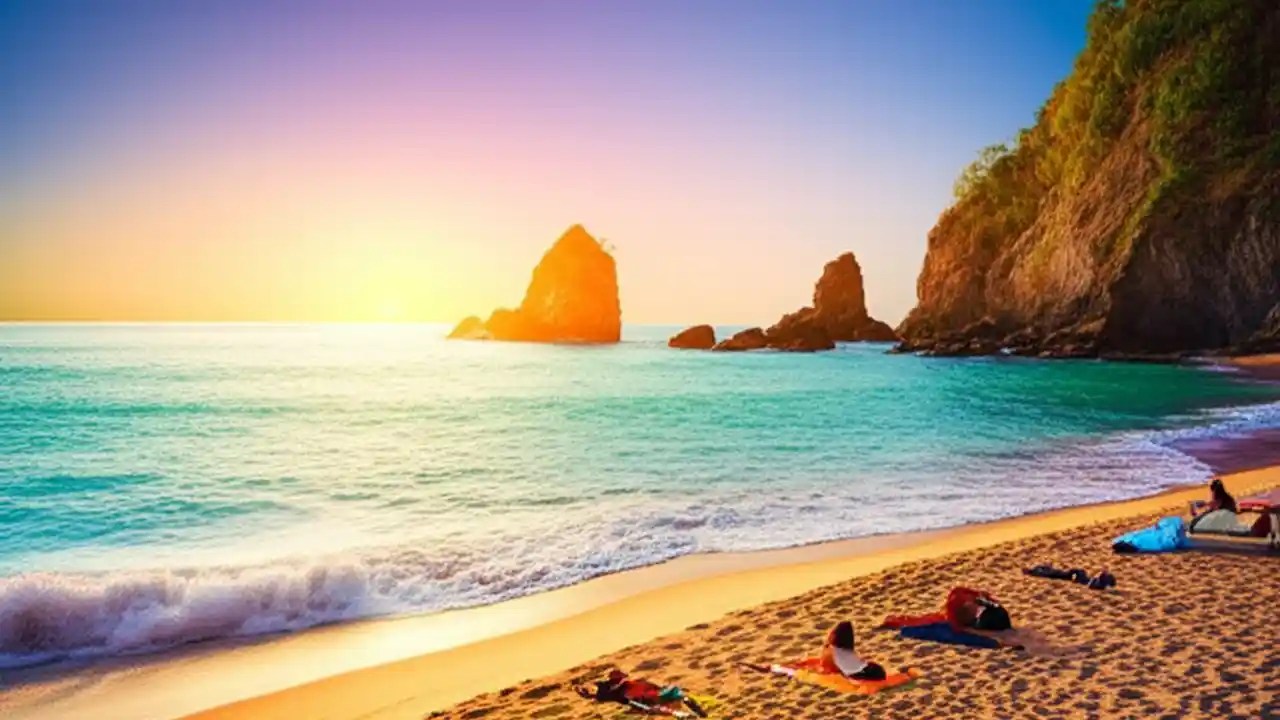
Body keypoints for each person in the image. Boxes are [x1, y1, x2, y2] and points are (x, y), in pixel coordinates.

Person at [777, 620, 887, 680]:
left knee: (804, 666)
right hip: (870, 671)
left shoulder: (831, 650)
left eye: (832, 632)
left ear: (834, 635)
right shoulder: (848, 649)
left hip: (857, 674)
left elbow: (827, 668)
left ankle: (780, 667)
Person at [576, 669, 707, 717]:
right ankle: (686, 715)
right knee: (661, 709)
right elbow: (592, 695)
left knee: (681, 696)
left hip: (656, 695)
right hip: (646, 702)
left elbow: (653, 686)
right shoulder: (614, 693)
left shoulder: (632, 683)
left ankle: (698, 712)